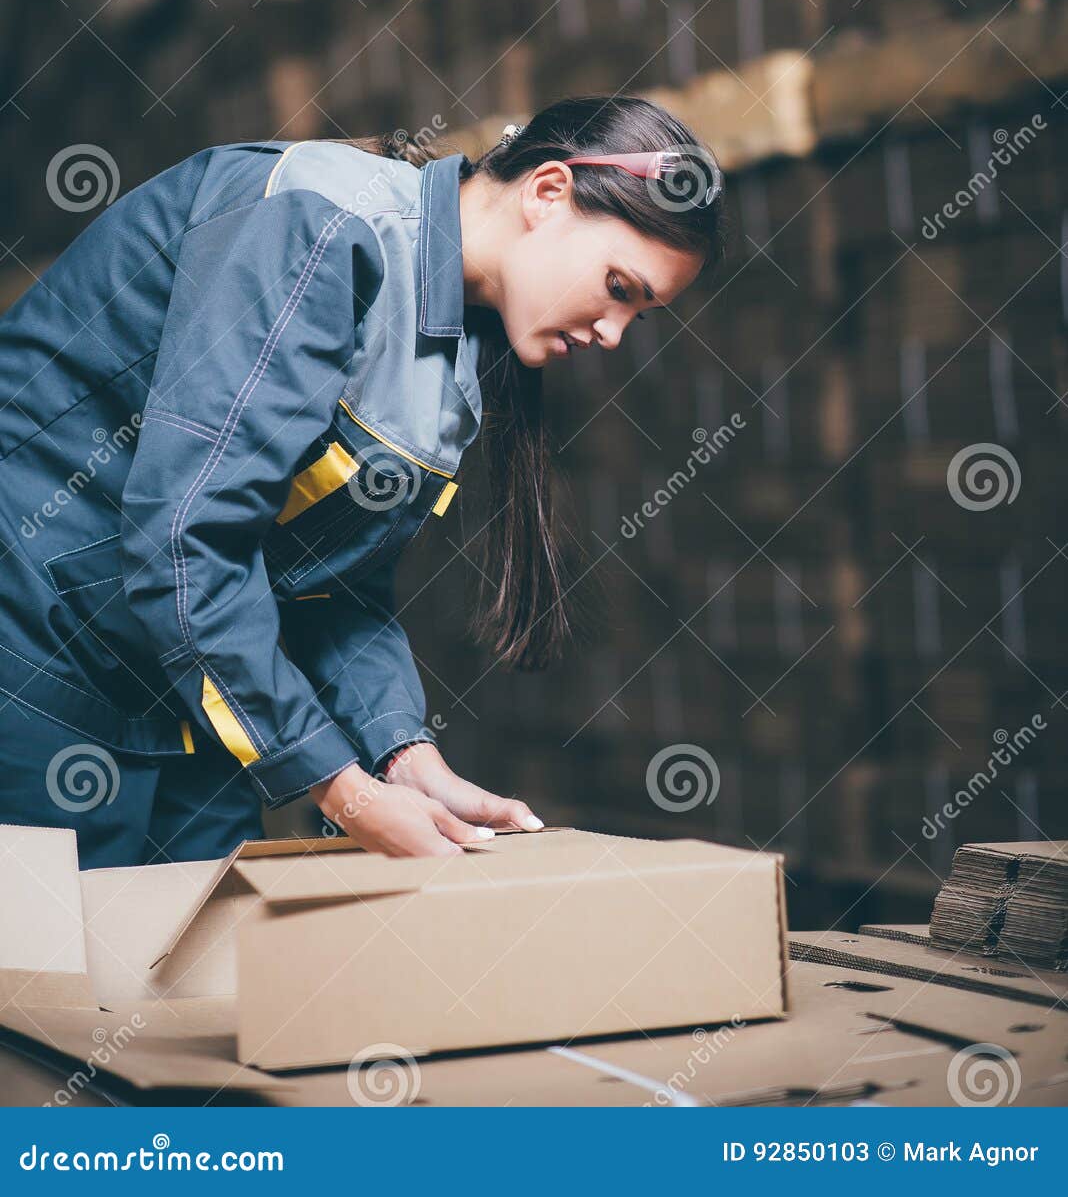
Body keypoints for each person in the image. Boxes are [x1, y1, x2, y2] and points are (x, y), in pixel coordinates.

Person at [0, 94, 725, 867]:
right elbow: (185, 538)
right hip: (37, 643)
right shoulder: (319, 228)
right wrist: (340, 789)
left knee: (209, 930)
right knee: (69, 938)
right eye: (619, 287)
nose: (612, 333)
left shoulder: (453, 353)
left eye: (640, 315)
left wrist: (402, 753)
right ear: (547, 192)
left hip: (177, 668)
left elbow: (328, 583)